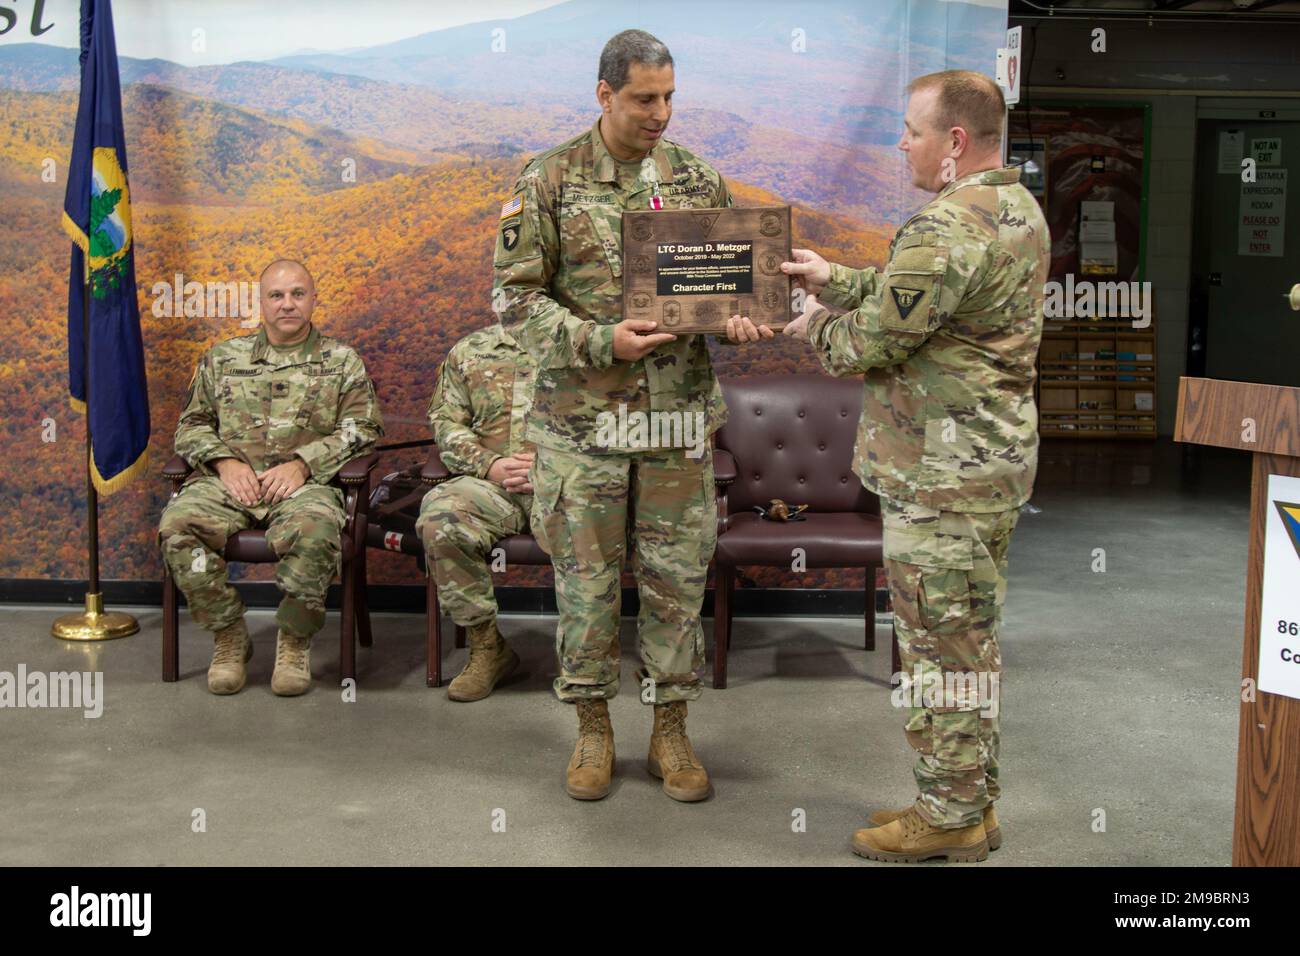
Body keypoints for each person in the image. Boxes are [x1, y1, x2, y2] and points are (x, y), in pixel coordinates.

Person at [492, 29, 772, 802]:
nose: (661, 113)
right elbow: (512, 300)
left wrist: (735, 319)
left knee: (676, 581)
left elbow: (722, 291)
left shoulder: (695, 179)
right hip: (583, 425)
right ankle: (591, 728)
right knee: (585, 587)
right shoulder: (547, 179)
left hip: (675, 422)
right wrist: (596, 339)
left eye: (670, 97)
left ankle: (671, 729)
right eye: (645, 98)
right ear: (604, 94)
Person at [783, 70, 1050, 862]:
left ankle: (951, 816)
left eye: (911, 129)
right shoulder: (1016, 209)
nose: (902, 141)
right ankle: (968, 796)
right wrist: (839, 279)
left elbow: (874, 341)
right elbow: (925, 302)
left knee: (941, 648)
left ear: (954, 142)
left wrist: (812, 324)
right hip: (990, 468)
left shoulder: (943, 227)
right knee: (971, 638)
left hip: (943, 479)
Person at [158, 259, 384, 696]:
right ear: (261, 303)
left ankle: (294, 640)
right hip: (228, 484)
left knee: (317, 531)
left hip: (305, 486)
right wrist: (225, 463)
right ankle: (228, 634)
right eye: (276, 296)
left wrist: (304, 463)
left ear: (313, 299)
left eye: (298, 294)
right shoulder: (223, 359)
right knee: (177, 526)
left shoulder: (342, 362)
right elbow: (190, 425)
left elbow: (363, 428)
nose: (287, 304)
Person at [415, 321, 537, 701]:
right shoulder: (469, 351)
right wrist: (489, 464)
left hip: (568, 484)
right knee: (441, 518)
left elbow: (616, 422)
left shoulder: (588, 346)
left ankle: (587, 659)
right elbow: (446, 424)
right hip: (491, 484)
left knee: (607, 518)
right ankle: (487, 648)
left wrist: (557, 470)